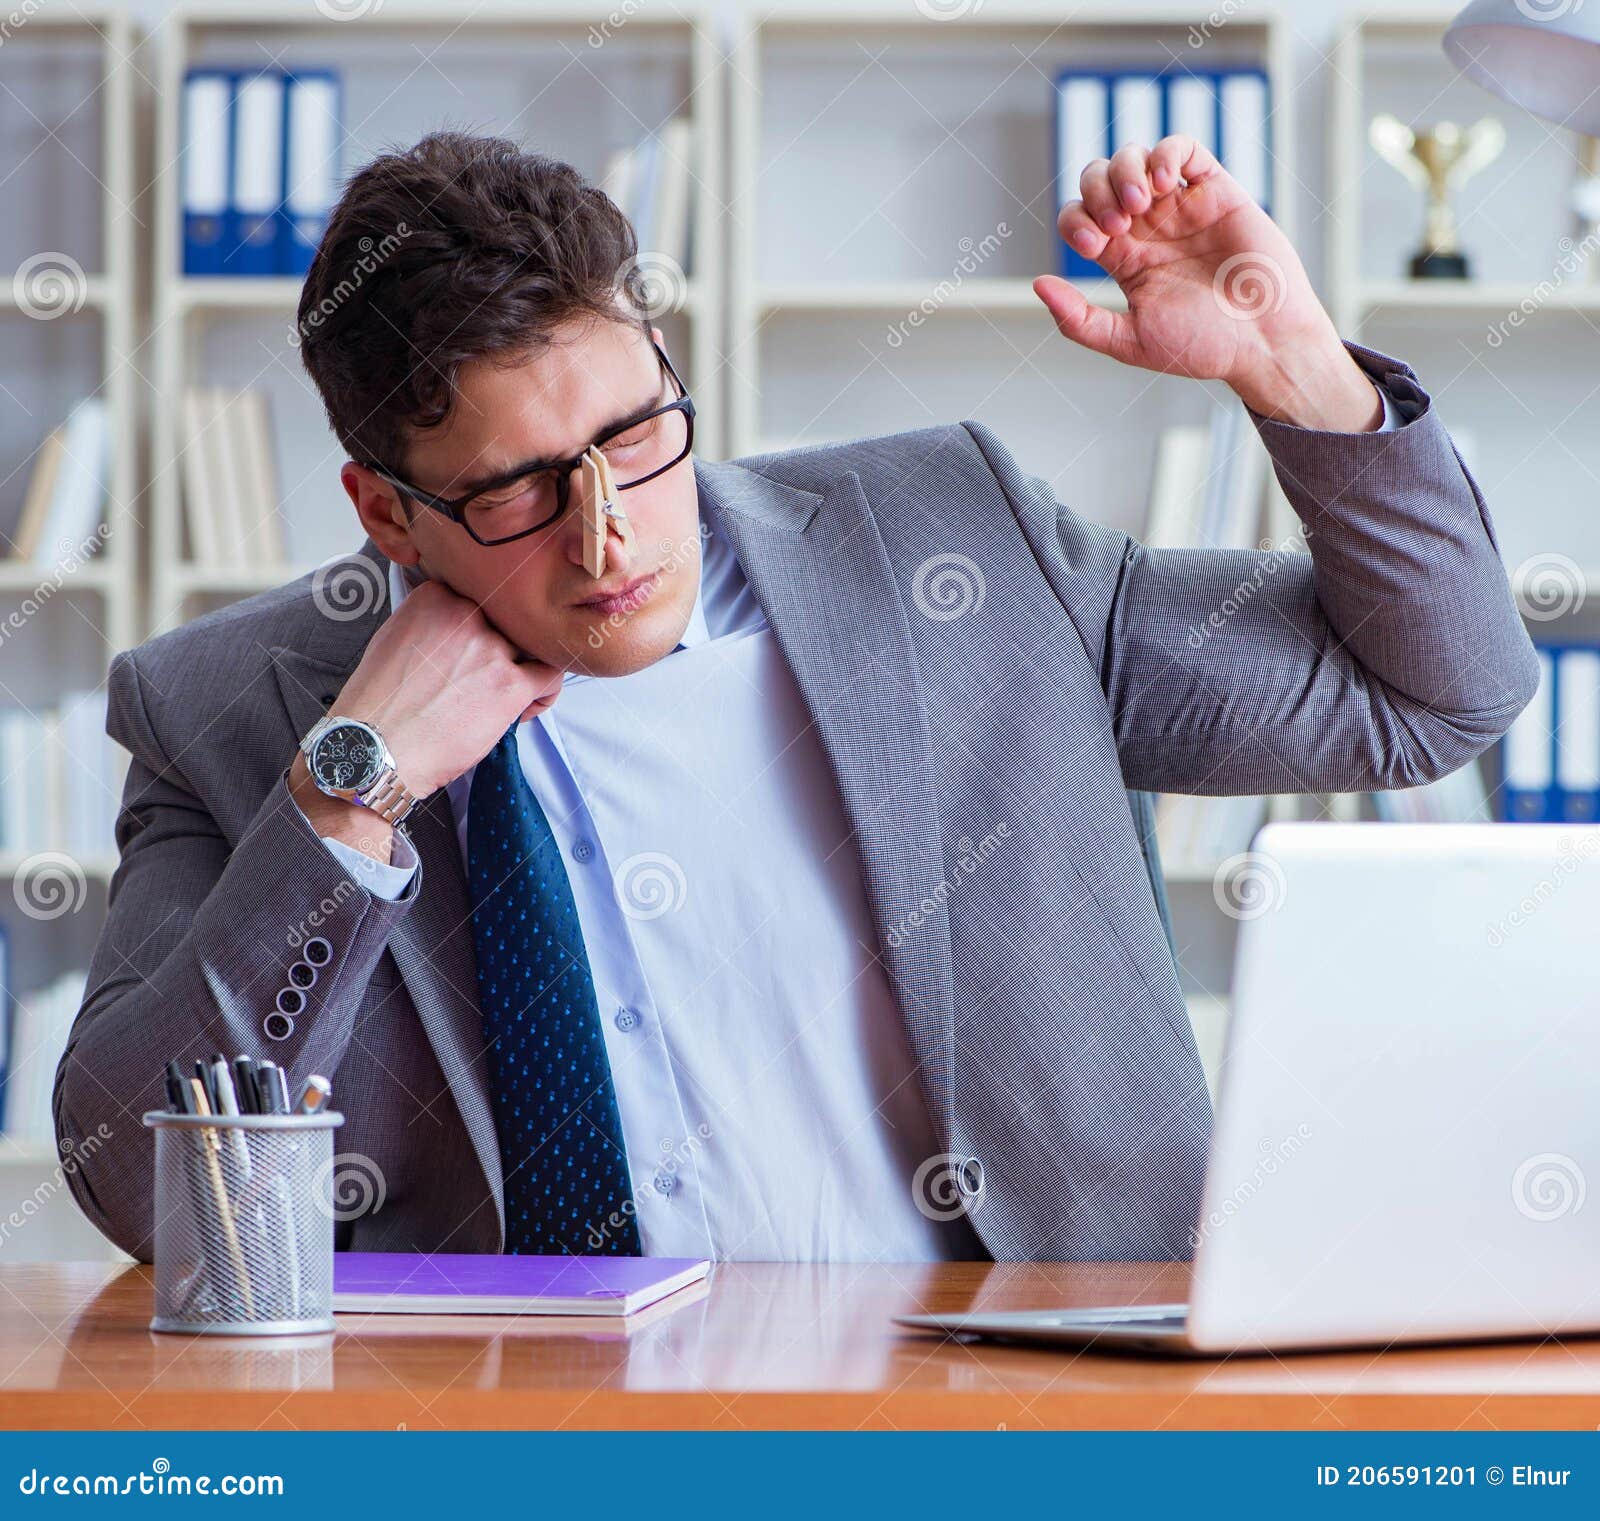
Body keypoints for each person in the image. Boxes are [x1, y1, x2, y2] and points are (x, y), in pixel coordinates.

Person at [56, 131, 1535, 1263]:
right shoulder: (228, 714)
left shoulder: (951, 542)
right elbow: (141, 1185)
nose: (608, 539)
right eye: (516, 493)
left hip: (1042, 1408)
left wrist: (1299, 372)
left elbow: (1432, 695)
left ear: (665, 365)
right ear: (386, 512)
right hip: (544, 1444)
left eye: (634, 438)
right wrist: (352, 793)